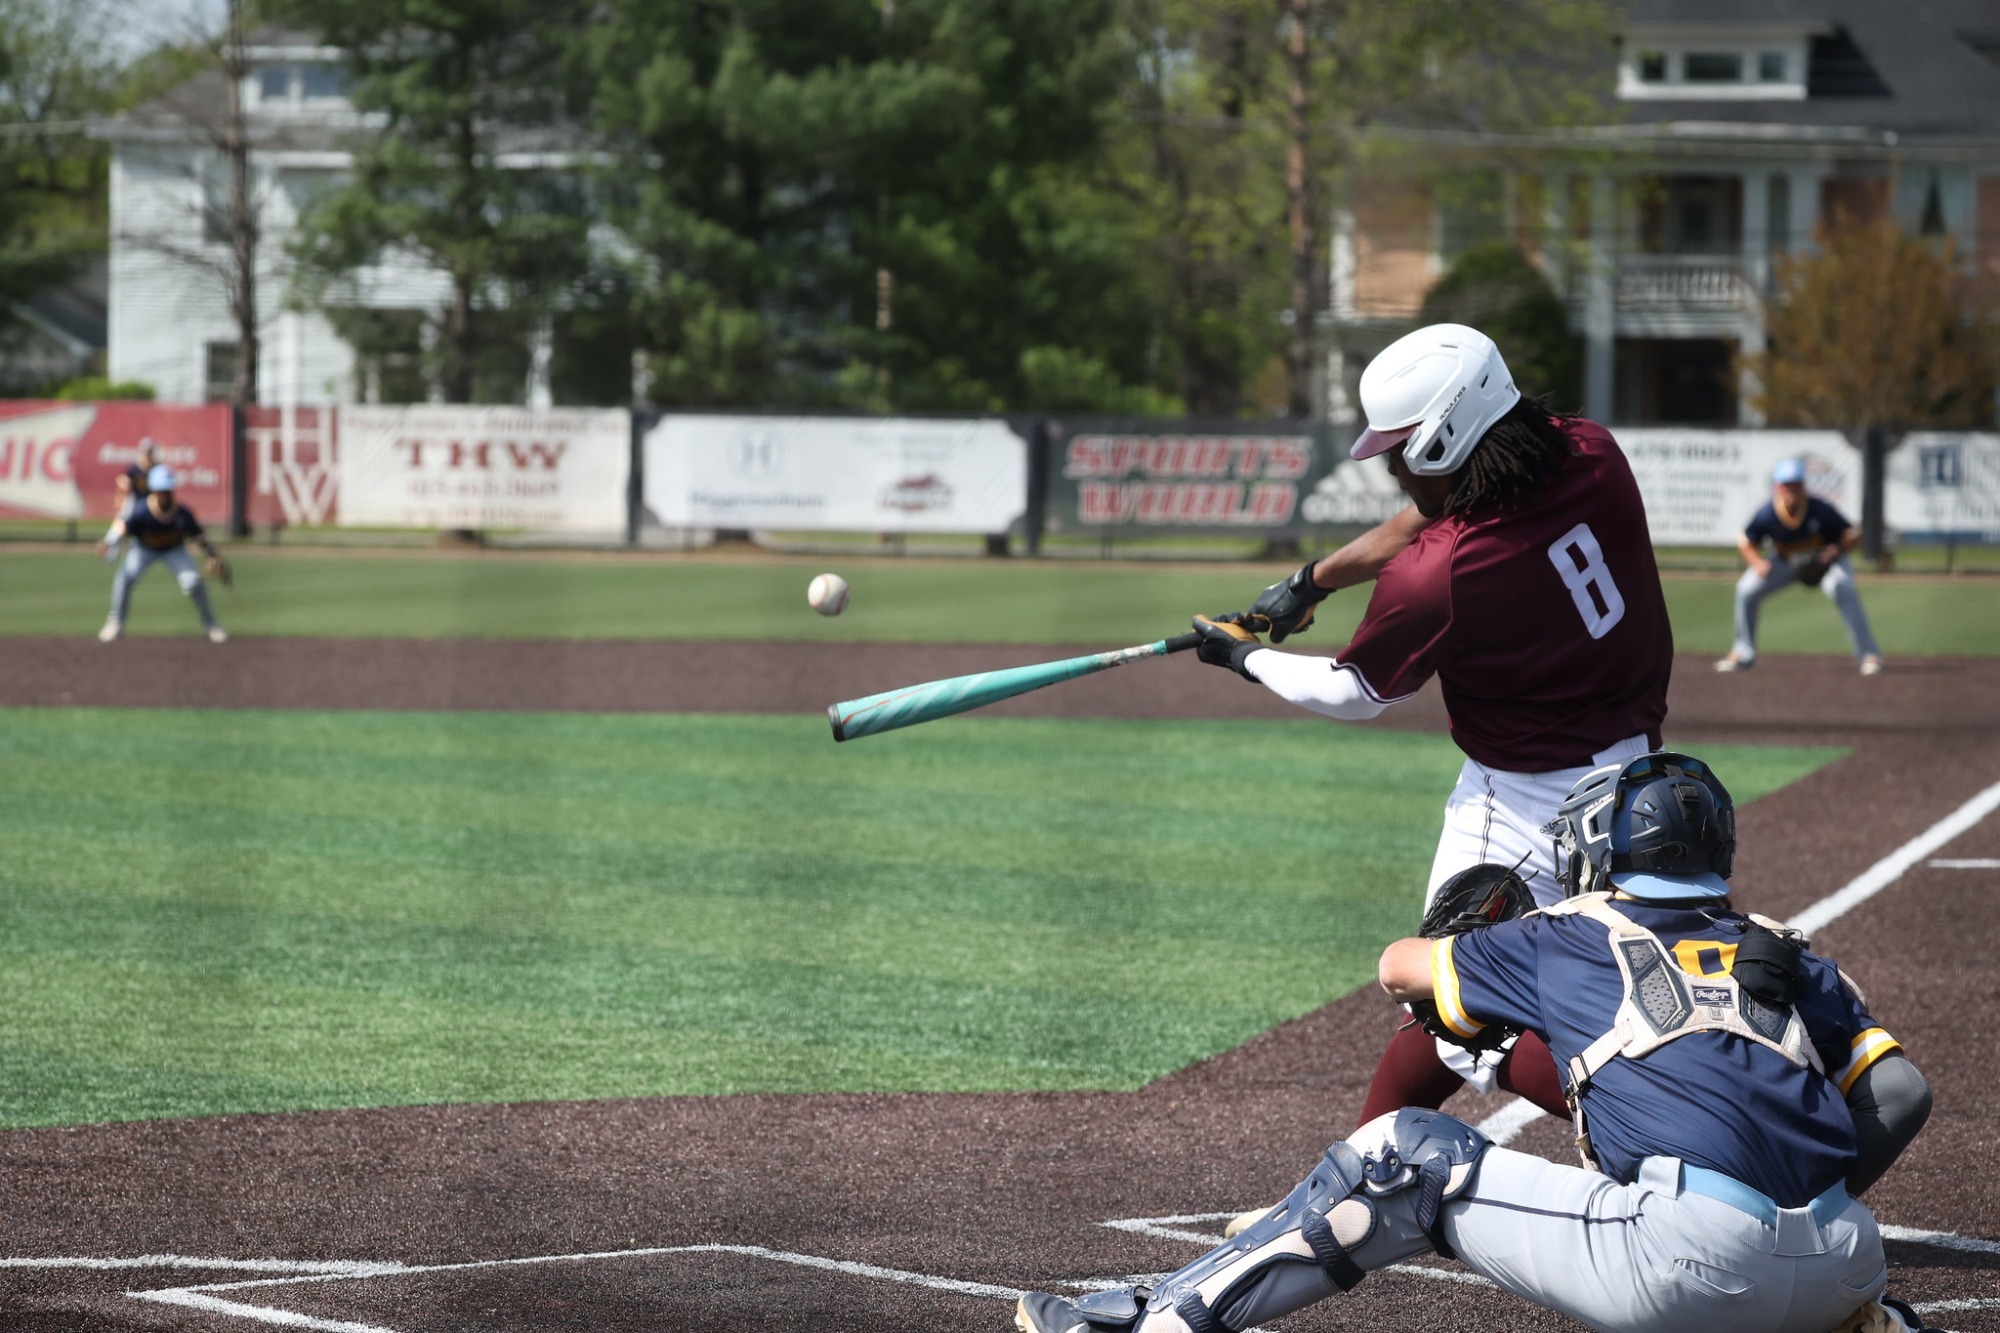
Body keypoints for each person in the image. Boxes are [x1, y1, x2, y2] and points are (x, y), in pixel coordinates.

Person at [1013, 751, 1934, 1333]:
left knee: (1398, 1155)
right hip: (1843, 1261)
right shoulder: (1788, 948)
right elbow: (1901, 1098)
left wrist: (1484, 954)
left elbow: (1396, 967)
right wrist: (1791, 1213)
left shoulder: (1563, 933)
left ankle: (1150, 1327)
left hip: (1687, 1269)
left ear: (1603, 850)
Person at [1189, 322, 1673, 1133]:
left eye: (1400, 450)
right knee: (1617, 999)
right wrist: (1313, 581)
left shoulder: (1443, 572)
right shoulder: (1591, 450)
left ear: (1444, 438)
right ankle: (1353, 1177)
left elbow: (1354, 693)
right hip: (1641, 788)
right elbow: (1435, 519)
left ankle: (1668, 1132)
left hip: (1524, 803)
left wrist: (1242, 659)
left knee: (1455, 1013)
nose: (1393, 465)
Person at [1716, 458, 1883, 677]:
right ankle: (1743, 652)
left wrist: (1836, 550)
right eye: (1787, 485)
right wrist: (1758, 563)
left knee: (1842, 587)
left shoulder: (1820, 510)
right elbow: (1745, 541)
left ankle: (1868, 654)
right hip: (1786, 562)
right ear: (1777, 487)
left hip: (1825, 562)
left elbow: (1853, 534)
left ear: (1804, 486)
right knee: (1746, 590)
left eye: (1797, 484)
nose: (1793, 490)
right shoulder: (1768, 513)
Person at [96, 465, 231, 644]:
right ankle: (115, 623)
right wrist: (109, 542)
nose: (165, 494)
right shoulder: (141, 511)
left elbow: (199, 537)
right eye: (161, 491)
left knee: (193, 583)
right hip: (144, 550)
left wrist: (212, 555)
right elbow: (123, 526)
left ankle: (211, 624)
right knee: (124, 578)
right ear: (153, 491)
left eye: (168, 490)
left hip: (174, 550)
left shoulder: (183, 513)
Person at [99, 439, 159, 564]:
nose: (148, 454)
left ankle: (134, 553)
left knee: (139, 530)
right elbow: (123, 481)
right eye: (146, 451)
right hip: (134, 500)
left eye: (150, 451)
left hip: (149, 503)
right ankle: (109, 548)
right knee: (121, 524)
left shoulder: (156, 468)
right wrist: (121, 495)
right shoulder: (135, 468)